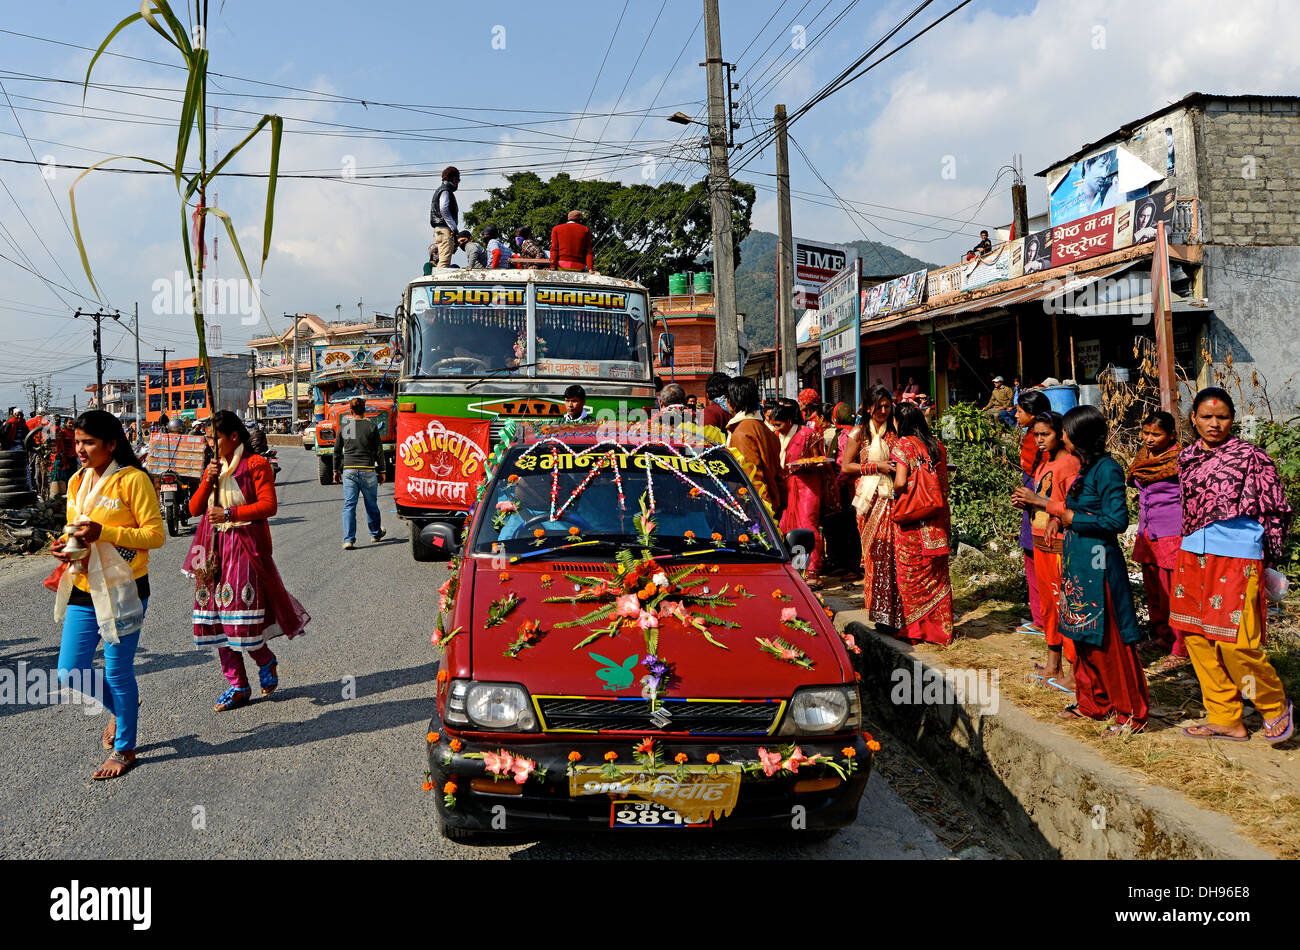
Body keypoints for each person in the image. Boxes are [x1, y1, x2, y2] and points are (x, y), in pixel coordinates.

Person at [1171, 388, 1294, 743]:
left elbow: (1276, 508)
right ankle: (1225, 716)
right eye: (1207, 417)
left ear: (1232, 419)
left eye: (1222, 417)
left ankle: (1273, 705)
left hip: (1238, 556)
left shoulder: (1251, 457)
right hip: (1192, 552)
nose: (1214, 424)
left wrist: (1266, 557)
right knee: (1196, 637)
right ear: (1193, 418)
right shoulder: (1187, 458)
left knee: (1235, 642)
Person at [48, 411, 163, 779]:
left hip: (124, 589)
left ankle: (125, 748)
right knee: (70, 670)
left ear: (111, 444)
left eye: (89, 443)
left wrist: (106, 532)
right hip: (83, 585)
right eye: (78, 442)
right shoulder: (77, 481)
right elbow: (76, 531)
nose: (80, 450)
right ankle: (121, 707)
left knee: (117, 671)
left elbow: (155, 536)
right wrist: (64, 546)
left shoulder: (133, 480)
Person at [184, 411, 309, 712]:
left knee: (238, 614)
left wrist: (229, 514)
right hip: (212, 546)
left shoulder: (256, 464)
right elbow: (193, 508)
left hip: (244, 544)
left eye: (215, 437)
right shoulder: (214, 467)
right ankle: (237, 684)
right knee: (213, 616)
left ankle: (264, 659)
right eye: (208, 438)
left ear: (234, 437)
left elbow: (268, 506)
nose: (209, 443)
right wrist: (207, 480)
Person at [1045, 405, 1150, 735]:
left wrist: (1073, 519)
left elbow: (1117, 521)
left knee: (1109, 640)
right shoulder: (1086, 467)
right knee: (1082, 637)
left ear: (1079, 436)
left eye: (1065, 432)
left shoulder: (1107, 470)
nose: (1061, 437)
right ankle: (1094, 703)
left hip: (1099, 564)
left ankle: (1130, 713)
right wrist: (1058, 521)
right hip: (1079, 563)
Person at [1012, 411, 1081, 688]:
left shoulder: (1069, 464)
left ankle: (1076, 671)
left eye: (1045, 434)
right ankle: (1053, 665)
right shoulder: (1044, 463)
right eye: (1036, 435)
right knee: (1050, 607)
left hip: (1060, 543)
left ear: (1060, 433)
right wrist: (1027, 502)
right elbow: (1044, 498)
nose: (1039, 440)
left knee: (1066, 604)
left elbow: (1073, 507)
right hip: (1040, 540)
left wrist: (1037, 500)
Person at [1127, 410, 1186, 670]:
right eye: (1146, 433)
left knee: (1174, 593)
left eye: (1156, 434)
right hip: (1147, 530)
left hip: (1172, 532)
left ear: (1171, 435)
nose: (1149, 439)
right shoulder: (1143, 458)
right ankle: (1163, 636)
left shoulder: (1182, 460)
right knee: (1154, 591)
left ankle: (1180, 648)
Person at [890, 403, 953, 645]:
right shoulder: (937, 445)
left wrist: (892, 493)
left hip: (913, 519)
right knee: (937, 575)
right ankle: (942, 630)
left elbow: (900, 482)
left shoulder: (903, 444)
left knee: (911, 575)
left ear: (899, 422)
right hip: (937, 517)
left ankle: (916, 631)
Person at [840, 385, 902, 628]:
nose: (884, 411)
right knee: (875, 556)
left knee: (892, 555)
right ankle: (878, 612)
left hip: (892, 497)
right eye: (879, 406)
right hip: (868, 501)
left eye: (888, 406)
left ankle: (895, 613)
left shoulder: (895, 430)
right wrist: (878, 467)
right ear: (868, 408)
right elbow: (846, 466)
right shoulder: (859, 432)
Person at [1012, 389, 1053, 635]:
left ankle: (1046, 619)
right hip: (1031, 502)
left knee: (1041, 562)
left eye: (1020, 411)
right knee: (1031, 558)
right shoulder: (1031, 438)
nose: (1016, 415)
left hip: (1044, 506)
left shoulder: (1042, 442)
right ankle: (1039, 617)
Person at [773, 403, 825, 586]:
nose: (776, 429)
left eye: (779, 425)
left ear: (789, 420)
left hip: (807, 485)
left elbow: (818, 460)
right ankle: (797, 568)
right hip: (788, 486)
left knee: (808, 525)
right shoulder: (777, 436)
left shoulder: (807, 434)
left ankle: (812, 571)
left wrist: (806, 464)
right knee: (788, 527)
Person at [725, 375, 784, 514]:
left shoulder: (742, 432)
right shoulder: (761, 427)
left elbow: (753, 478)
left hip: (754, 510)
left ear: (731, 403)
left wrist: (761, 516)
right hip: (771, 504)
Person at [333, 398, 386, 549]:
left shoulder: (345, 426)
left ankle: (348, 539)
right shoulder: (371, 426)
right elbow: (378, 451)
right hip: (367, 470)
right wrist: (382, 471)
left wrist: (336, 470)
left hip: (349, 470)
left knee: (349, 505)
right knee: (371, 504)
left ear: (351, 411)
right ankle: (375, 533)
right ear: (365, 410)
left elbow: (337, 451)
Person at [429, 166, 461, 268]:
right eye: (458, 180)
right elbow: (444, 209)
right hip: (444, 230)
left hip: (440, 230)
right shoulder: (445, 190)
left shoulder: (441, 189)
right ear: (455, 179)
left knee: (441, 262)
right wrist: (453, 227)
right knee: (444, 264)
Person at [49, 416, 77, 497]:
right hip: (66, 457)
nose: (71, 425)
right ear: (65, 424)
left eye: (73, 423)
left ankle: (72, 491)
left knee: (73, 474)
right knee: (66, 475)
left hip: (73, 457)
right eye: (70, 423)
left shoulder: (75, 432)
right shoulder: (62, 432)